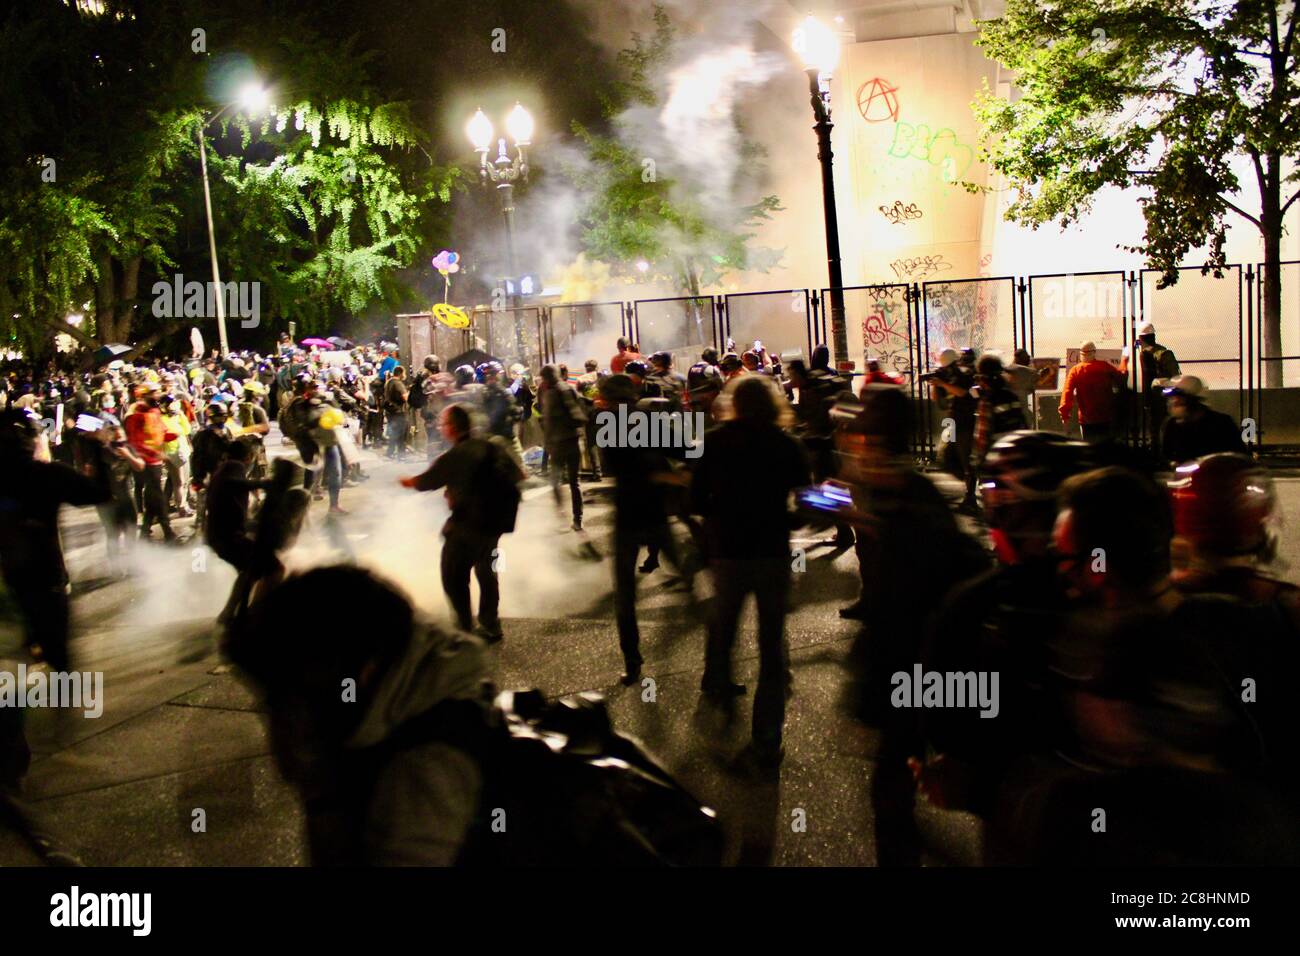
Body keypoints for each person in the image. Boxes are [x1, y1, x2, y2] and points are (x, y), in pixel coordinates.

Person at [226, 565, 493, 865]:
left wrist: (321, 790)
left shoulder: (423, 777)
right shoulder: (381, 699)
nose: (279, 722)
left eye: (287, 698)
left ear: (360, 672)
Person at [691, 375, 811, 774]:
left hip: (728, 552)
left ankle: (719, 690)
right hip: (772, 552)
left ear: (734, 403)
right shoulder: (786, 444)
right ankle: (766, 739)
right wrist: (787, 519)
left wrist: (716, 521)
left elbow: (695, 499)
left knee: (724, 627)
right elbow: (806, 502)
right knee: (772, 646)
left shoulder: (714, 441)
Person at [0, 408, 112, 673]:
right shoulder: (46, 475)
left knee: (28, 651)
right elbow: (99, 494)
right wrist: (96, 447)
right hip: (45, 577)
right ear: (26, 440)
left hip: (12, 582)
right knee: (57, 656)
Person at [400, 404, 524, 642]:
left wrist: (404, 481)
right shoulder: (492, 446)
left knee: (453, 575)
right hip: (496, 523)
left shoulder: (456, 455)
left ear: (453, 427)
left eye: (443, 423)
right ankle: (491, 624)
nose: (440, 427)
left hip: (469, 524)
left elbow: (424, 482)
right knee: (488, 572)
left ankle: (464, 629)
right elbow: (519, 475)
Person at [599, 374, 692, 684]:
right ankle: (699, 614)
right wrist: (674, 474)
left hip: (628, 516)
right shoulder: (647, 419)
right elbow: (686, 449)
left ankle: (633, 663)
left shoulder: (606, 424)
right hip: (653, 512)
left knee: (625, 597)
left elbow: (616, 468)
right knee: (677, 566)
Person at [123, 383, 179, 542]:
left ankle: (146, 531)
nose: (157, 396)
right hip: (145, 462)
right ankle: (167, 532)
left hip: (155, 461)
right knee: (158, 496)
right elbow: (135, 442)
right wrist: (155, 453)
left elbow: (161, 431)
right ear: (144, 396)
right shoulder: (135, 416)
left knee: (153, 497)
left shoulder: (155, 412)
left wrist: (173, 435)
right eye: (153, 393)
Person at [927, 347, 979, 512]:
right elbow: (938, 401)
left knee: (966, 458)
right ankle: (963, 492)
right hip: (952, 420)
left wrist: (942, 383)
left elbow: (962, 392)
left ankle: (970, 496)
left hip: (965, 420)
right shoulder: (948, 376)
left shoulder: (965, 375)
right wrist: (936, 385)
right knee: (947, 456)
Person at [538, 364, 586, 532]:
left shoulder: (550, 393)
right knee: (575, 482)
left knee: (555, 480)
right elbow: (581, 408)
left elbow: (549, 421)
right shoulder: (569, 388)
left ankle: (561, 514)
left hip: (559, 443)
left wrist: (548, 443)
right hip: (573, 440)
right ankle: (578, 518)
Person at [1159, 375, 1244, 465]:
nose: (1173, 402)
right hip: (1185, 477)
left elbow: (1239, 456)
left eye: (1179, 398)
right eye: (1172, 398)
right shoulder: (1171, 425)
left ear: (1193, 400)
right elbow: (1167, 456)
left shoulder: (1221, 424)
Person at [1124, 320, 1180, 456]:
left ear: (1141, 338)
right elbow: (1176, 376)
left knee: (1156, 427)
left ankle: (1157, 452)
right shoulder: (1163, 353)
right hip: (1164, 397)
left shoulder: (1145, 354)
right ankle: (1163, 452)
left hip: (1155, 397)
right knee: (1162, 427)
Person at [1058, 341, 1124, 442]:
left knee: (1089, 448)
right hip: (1106, 417)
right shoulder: (1105, 366)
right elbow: (1120, 378)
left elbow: (1067, 393)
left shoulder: (1075, 371)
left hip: (1086, 419)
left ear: (1081, 354)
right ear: (1094, 352)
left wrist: (1064, 415)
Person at [973, 354, 1027, 462]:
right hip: (1017, 454)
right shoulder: (1012, 396)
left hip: (997, 458)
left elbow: (982, 437)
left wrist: (978, 461)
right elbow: (1023, 424)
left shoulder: (987, 401)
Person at [383, 366, 410, 460]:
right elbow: (405, 397)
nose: (405, 375)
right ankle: (401, 455)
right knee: (402, 434)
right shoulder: (398, 383)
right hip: (398, 412)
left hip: (390, 412)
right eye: (404, 373)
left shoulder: (389, 382)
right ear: (400, 373)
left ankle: (390, 452)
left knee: (393, 433)